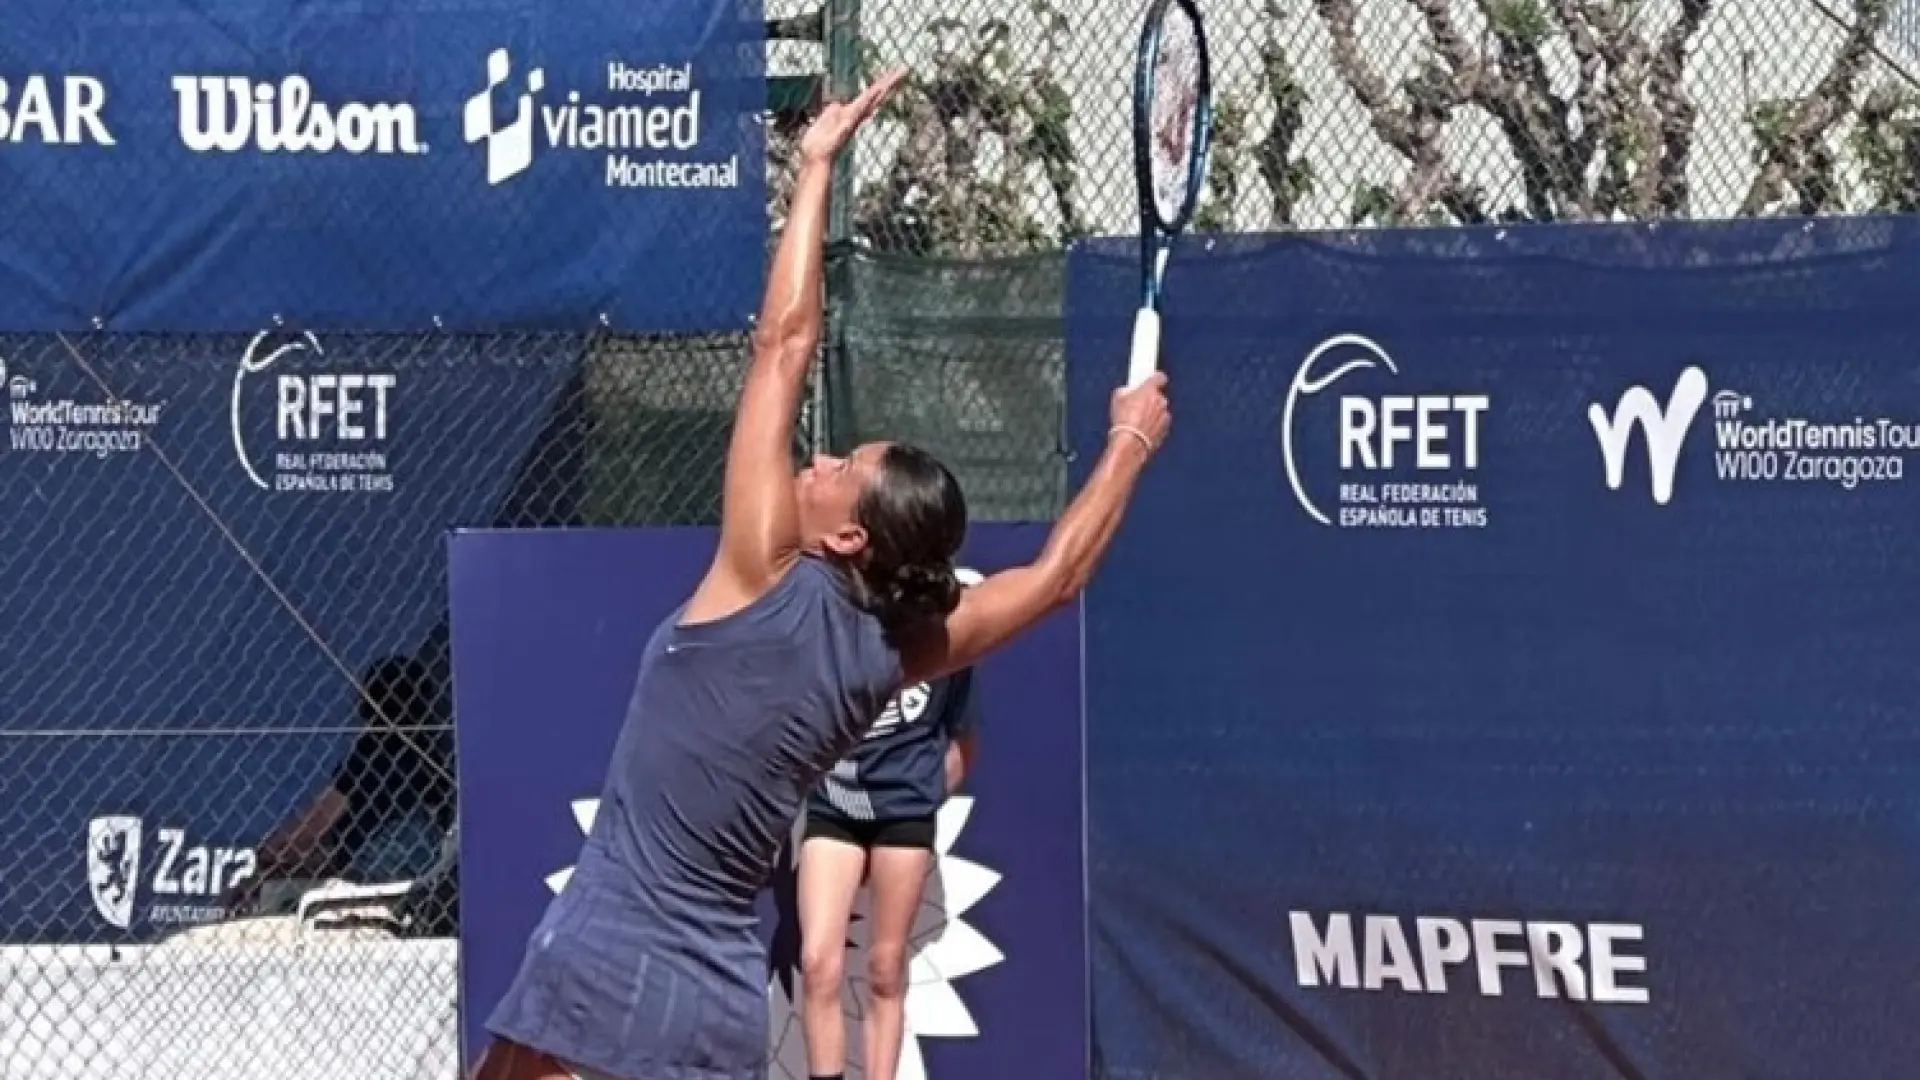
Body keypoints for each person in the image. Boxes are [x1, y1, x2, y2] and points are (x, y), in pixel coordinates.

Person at [468, 66, 1170, 1080]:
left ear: (849, 540)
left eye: (845, 470)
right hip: (710, 1002)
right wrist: (1130, 442)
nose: (824, 459)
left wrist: (816, 168)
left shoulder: (761, 566)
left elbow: (783, 346)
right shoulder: (902, 647)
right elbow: (1060, 575)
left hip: (606, 952)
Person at [798, 631, 981, 1080]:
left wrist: (921, 795)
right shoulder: (832, 613)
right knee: (819, 963)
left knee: (885, 967)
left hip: (903, 811)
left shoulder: (946, 622)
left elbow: (964, 738)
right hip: (832, 805)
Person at [236, 654, 457, 930]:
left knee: (271, 890)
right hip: (414, 883)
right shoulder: (431, 758)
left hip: (372, 881)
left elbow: (309, 831)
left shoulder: (373, 752)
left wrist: (265, 856)